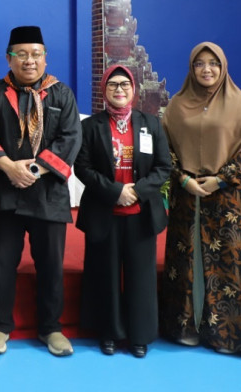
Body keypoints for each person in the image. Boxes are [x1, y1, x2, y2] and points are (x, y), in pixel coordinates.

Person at [159, 42, 241, 354]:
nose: (207, 69)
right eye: (199, 63)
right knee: (189, 262)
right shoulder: (176, 104)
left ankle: (230, 333)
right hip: (189, 199)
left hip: (230, 200)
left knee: (231, 264)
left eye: (213, 63)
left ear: (223, 66)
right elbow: (165, 149)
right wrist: (183, 178)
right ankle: (187, 325)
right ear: (191, 68)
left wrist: (221, 179)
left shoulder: (240, 104)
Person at [0, 26, 81, 358]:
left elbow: (70, 139)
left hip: (47, 194)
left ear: (45, 57)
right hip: (6, 192)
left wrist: (34, 170)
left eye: (36, 54)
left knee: (51, 265)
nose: (29, 60)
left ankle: (51, 327)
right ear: (9, 58)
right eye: (21, 54)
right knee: (2, 264)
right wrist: (10, 167)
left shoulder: (61, 94)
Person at [75, 65, 171, 358]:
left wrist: (135, 192)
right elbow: (83, 167)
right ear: (104, 90)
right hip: (104, 212)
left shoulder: (150, 124)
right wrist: (116, 192)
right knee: (105, 275)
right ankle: (110, 333)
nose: (119, 90)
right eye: (113, 85)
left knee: (141, 277)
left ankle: (139, 336)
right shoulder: (91, 126)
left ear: (134, 90)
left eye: (125, 85)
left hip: (141, 214)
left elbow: (163, 167)